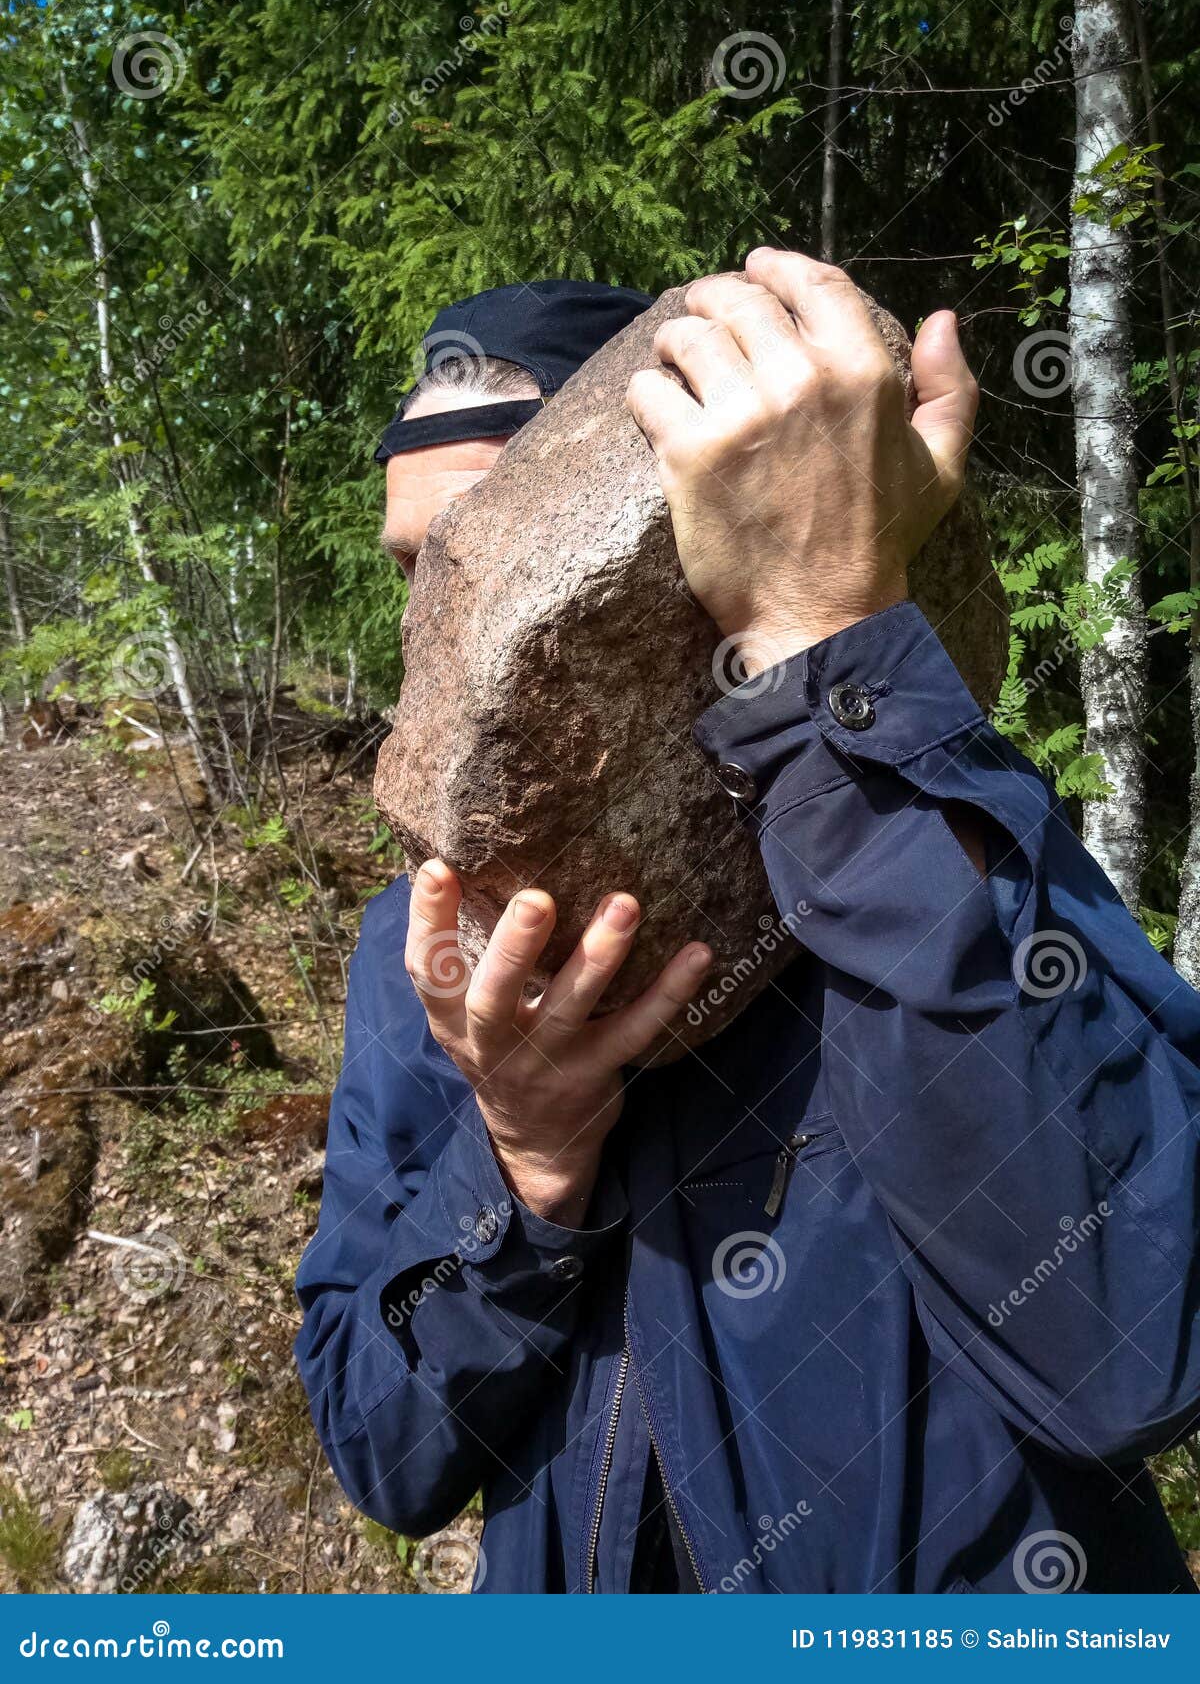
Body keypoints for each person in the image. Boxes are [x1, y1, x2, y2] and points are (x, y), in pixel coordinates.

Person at [296, 254, 1200, 1594]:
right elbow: (385, 1445)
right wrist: (522, 1172)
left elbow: (1139, 1335)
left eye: (476, 551)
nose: (439, 622)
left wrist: (832, 648)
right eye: (411, 570)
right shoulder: (423, 942)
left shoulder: (923, 831)